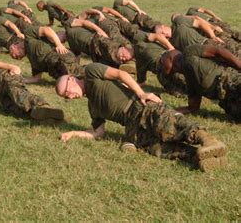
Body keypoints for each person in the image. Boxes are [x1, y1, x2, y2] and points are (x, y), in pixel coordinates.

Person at [55, 63, 227, 171]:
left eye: (67, 91)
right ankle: (201, 157)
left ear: (71, 79)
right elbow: (97, 133)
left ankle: (207, 140)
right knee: (158, 149)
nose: (69, 96)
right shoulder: (92, 107)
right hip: (132, 128)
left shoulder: (91, 73)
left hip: (140, 106)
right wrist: (74, 133)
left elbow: (120, 74)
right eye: (65, 97)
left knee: (169, 124)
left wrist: (141, 94)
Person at [162, 44, 241, 120]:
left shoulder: (189, 52)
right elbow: (193, 107)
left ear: (171, 58)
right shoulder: (190, 79)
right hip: (227, 98)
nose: (175, 71)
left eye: (173, 69)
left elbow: (218, 51)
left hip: (230, 80)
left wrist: (239, 65)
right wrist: (171, 111)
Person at [11, 24, 85, 83]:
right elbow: (36, 78)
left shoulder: (28, 35)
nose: (17, 58)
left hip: (59, 57)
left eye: (14, 55)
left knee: (80, 75)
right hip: (56, 69)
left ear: (14, 46)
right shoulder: (32, 60)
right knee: (69, 81)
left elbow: (47, 30)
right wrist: (21, 80)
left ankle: (93, 71)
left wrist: (59, 44)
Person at [171, 14, 240, 56]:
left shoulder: (176, 29)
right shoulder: (181, 22)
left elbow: (198, 19)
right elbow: (198, 19)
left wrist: (212, 27)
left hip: (208, 37)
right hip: (207, 39)